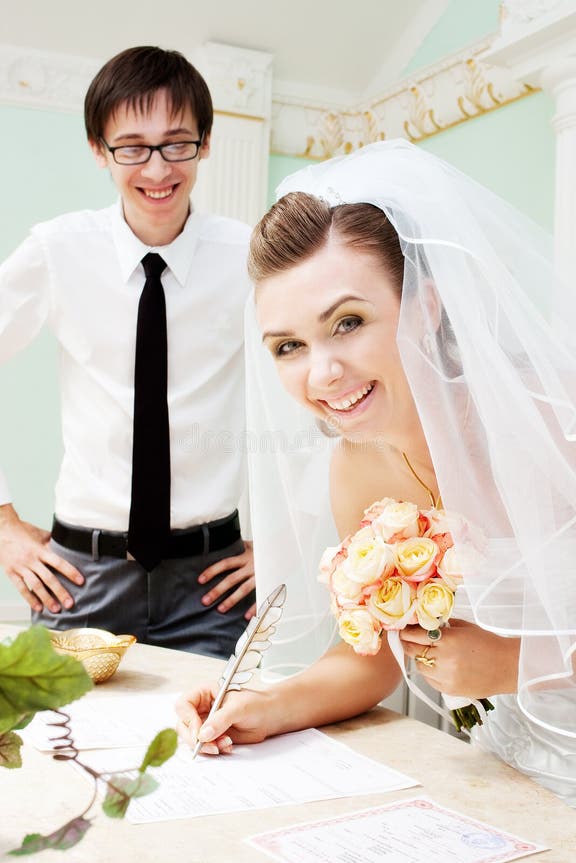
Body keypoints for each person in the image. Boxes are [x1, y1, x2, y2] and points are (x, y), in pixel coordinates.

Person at [176, 140, 576, 805]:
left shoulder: (551, 424)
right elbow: (372, 653)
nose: (322, 373)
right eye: (289, 346)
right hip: (513, 766)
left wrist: (513, 664)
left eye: (349, 322)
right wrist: (266, 706)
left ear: (426, 306)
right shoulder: (357, 470)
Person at [0, 46, 256, 658]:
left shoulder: (250, 257)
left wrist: (291, 543)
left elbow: (315, 396)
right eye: (132, 147)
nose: (158, 168)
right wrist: (4, 528)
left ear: (206, 142)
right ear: (98, 149)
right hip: (79, 581)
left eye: (177, 143)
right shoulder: (58, 251)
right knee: (51, 749)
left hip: (210, 587)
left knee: (218, 749)